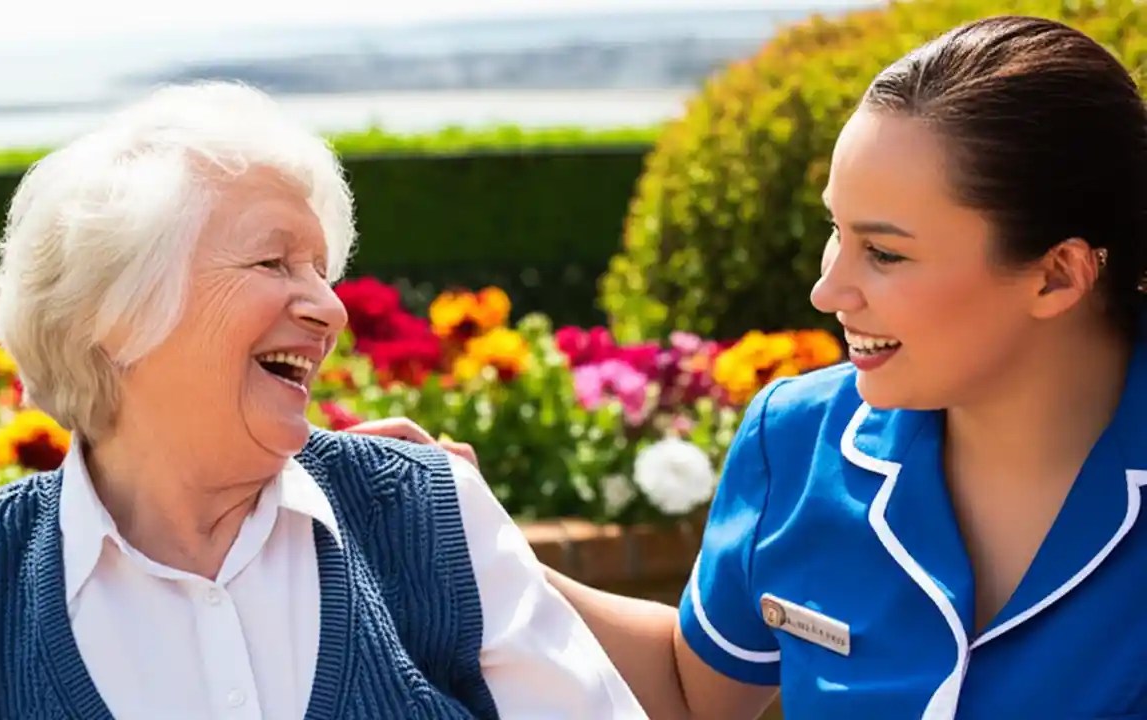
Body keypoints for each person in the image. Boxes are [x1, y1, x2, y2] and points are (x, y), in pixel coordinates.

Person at [369, 14, 1147, 719]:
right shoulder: (796, 441)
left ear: (1057, 274)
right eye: (834, 231)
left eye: (883, 252)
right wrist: (468, 541)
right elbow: (691, 688)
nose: (827, 287)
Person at [0, 81, 647, 719]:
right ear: (118, 313)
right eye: (275, 262)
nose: (329, 309)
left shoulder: (431, 513)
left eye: (322, 270)